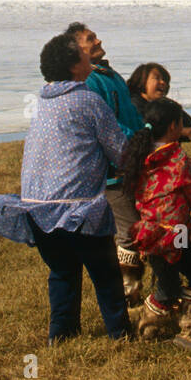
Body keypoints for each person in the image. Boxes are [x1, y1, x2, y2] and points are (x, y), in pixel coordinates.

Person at [0, 33, 131, 343]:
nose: (89, 56)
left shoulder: (42, 101)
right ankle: (120, 335)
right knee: (106, 276)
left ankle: (60, 336)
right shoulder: (88, 99)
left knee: (62, 273)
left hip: (37, 209)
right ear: (76, 65)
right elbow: (119, 151)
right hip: (79, 210)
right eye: (83, 54)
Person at [120, 98, 191, 350]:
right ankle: (167, 326)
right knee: (173, 285)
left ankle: (153, 321)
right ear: (174, 127)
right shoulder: (176, 159)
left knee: (188, 275)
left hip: (151, 233)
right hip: (172, 235)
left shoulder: (140, 155)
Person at [66, 22, 147, 304]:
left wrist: (146, 135)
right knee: (130, 232)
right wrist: (137, 142)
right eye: (90, 39)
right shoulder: (89, 82)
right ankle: (128, 297)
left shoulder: (109, 74)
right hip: (114, 172)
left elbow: (130, 116)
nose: (98, 40)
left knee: (142, 226)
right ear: (77, 49)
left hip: (134, 161)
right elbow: (106, 125)